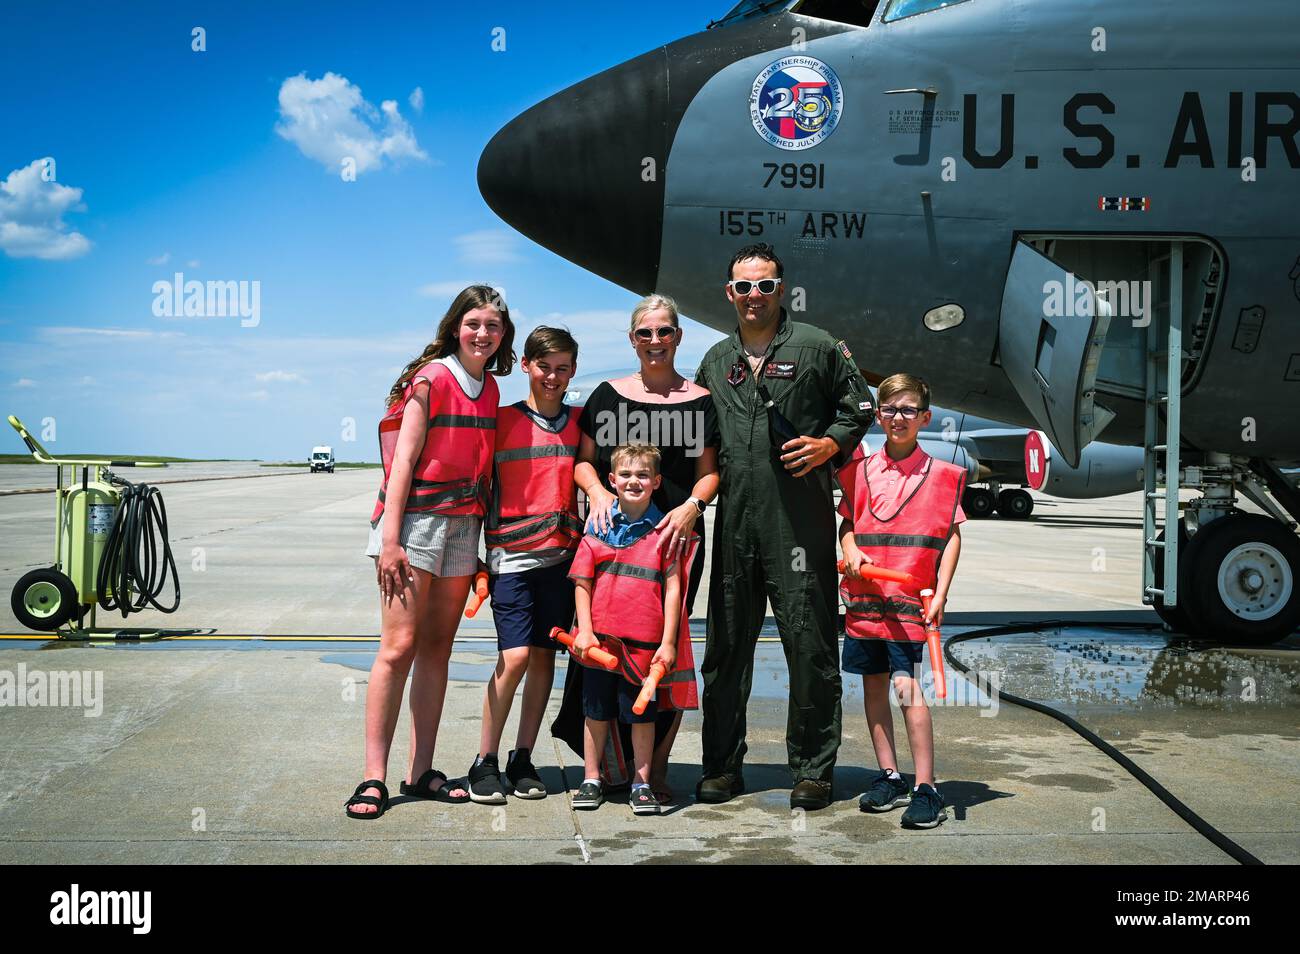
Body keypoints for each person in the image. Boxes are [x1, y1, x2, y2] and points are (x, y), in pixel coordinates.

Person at [694, 243, 875, 810]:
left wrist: (830, 444)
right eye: (744, 286)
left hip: (799, 528)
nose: (755, 296)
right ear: (730, 293)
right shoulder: (715, 360)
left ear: (782, 290)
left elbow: (861, 407)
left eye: (766, 285)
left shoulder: (817, 347)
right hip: (735, 529)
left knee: (811, 648)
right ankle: (722, 766)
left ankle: (814, 770)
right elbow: (695, 445)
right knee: (725, 650)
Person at [345, 286, 514, 819]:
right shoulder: (432, 379)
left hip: (464, 528)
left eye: (493, 325)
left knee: (438, 649)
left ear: (503, 333)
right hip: (415, 524)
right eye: (473, 323)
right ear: (454, 326)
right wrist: (390, 540)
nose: (483, 333)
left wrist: (485, 546)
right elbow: (402, 463)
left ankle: (420, 771)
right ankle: (373, 777)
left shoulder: (489, 389)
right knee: (397, 649)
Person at [552, 293, 719, 805]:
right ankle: (602, 770)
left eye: (664, 331)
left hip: (672, 547)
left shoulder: (700, 399)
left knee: (662, 655)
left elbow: (710, 473)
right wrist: (598, 493)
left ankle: (654, 771)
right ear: (632, 338)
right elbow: (583, 463)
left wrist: (692, 506)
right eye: (645, 333)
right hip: (609, 545)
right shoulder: (607, 396)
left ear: (678, 337)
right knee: (599, 652)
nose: (655, 341)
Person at [837, 373, 964, 829]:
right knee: (873, 691)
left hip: (910, 607)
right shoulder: (859, 471)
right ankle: (889, 775)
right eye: (889, 409)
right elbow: (847, 524)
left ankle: (926, 787)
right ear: (878, 415)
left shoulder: (943, 476)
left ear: (925, 417)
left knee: (908, 690)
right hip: (865, 605)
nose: (898, 418)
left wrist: (941, 594)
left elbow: (951, 537)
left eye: (908, 410)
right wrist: (849, 548)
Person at [465, 327, 581, 804]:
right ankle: (484, 761)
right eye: (544, 366)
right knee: (513, 658)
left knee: (542, 659)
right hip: (511, 560)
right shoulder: (500, 421)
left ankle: (522, 758)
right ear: (527, 365)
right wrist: (475, 557)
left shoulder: (580, 422)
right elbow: (477, 488)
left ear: (572, 371)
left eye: (562, 368)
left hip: (561, 560)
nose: (552, 376)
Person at [569, 444, 693, 816]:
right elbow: (581, 582)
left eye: (642, 475)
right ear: (611, 480)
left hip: (643, 649)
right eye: (625, 474)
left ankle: (641, 783)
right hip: (600, 646)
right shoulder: (597, 526)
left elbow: (674, 589)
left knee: (642, 717)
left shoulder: (665, 532)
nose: (633, 481)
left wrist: (668, 643)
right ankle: (592, 778)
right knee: (595, 713)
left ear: (656, 481)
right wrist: (585, 633)